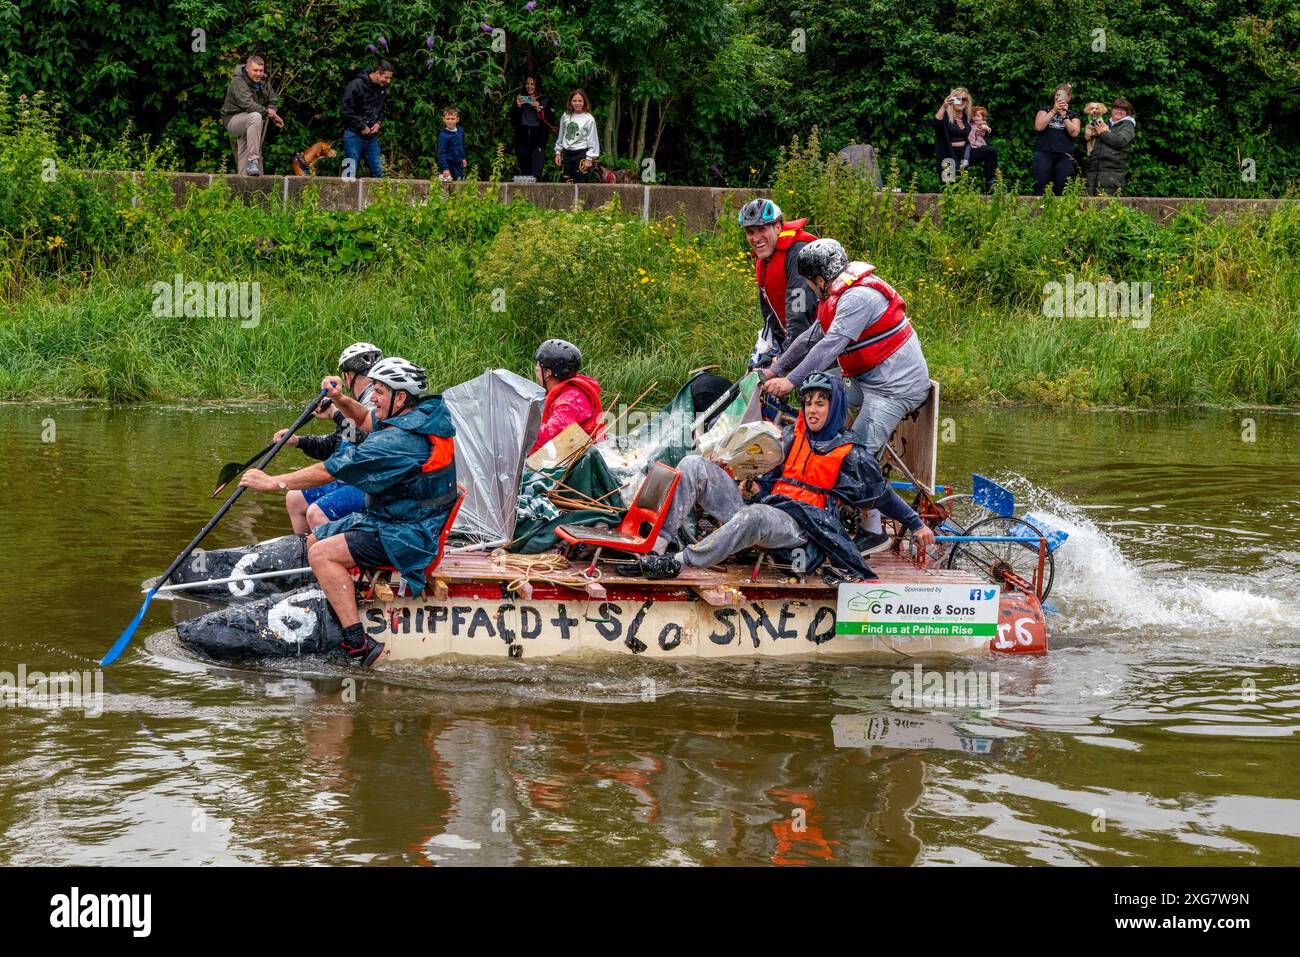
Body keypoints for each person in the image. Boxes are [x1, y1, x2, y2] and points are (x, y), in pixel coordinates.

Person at [239, 358, 457, 668]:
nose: (374, 397)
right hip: (399, 520)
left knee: (322, 555)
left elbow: (330, 471)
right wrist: (341, 400)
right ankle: (338, 606)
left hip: (408, 535)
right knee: (315, 541)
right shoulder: (419, 417)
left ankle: (359, 645)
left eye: (380, 391)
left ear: (401, 397)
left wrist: (274, 482)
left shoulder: (398, 442)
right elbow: (367, 420)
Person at [638, 373, 934, 579]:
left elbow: (883, 496)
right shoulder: (792, 437)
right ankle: (656, 548)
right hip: (767, 510)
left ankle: (679, 561)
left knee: (755, 515)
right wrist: (752, 486)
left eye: (820, 403)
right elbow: (768, 479)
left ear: (835, 408)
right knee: (693, 463)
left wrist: (916, 524)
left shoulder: (850, 454)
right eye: (807, 403)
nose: (812, 410)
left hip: (801, 529)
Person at [760, 238, 931, 552]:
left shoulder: (857, 299)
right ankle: (820, 449)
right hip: (867, 378)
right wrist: (776, 370)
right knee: (822, 386)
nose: (810, 290)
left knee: (856, 455)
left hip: (894, 388)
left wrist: (790, 382)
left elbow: (829, 347)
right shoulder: (837, 295)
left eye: (810, 283)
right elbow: (810, 339)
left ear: (822, 280)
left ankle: (874, 532)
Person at [277, 342, 383, 533]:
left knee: (317, 513)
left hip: (368, 487)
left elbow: (360, 440)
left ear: (349, 376)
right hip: (348, 480)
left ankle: (331, 556)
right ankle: (302, 552)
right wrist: (298, 441)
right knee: (294, 498)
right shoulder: (354, 404)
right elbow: (333, 444)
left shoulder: (378, 404)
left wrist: (335, 414)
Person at [736, 198, 819, 369]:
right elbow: (770, 312)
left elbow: (799, 310)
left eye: (761, 229)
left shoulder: (798, 255)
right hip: (796, 337)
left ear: (778, 227)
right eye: (750, 232)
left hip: (820, 338)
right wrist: (773, 348)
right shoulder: (765, 257)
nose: (756, 238)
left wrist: (784, 359)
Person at [530, 339, 605, 453]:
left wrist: (518, 429)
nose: (536, 369)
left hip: (584, 462)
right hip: (573, 454)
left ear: (548, 373)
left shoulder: (570, 401)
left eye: (539, 367)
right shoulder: (563, 392)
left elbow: (549, 439)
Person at [221, 55, 283, 176]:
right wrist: (272, 115)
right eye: (255, 70)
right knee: (255, 116)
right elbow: (248, 105)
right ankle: (253, 160)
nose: (258, 74)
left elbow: (273, 101)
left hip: (251, 122)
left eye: (261, 70)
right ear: (247, 68)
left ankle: (243, 186)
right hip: (233, 120)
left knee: (245, 153)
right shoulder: (238, 81)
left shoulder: (264, 80)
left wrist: (272, 110)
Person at [341, 59, 394, 178]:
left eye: (389, 78)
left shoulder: (382, 88)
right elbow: (346, 111)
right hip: (353, 135)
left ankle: (377, 197)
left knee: (378, 170)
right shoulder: (355, 85)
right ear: (377, 73)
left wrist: (379, 122)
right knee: (348, 172)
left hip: (371, 137)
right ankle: (345, 195)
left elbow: (381, 109)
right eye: (386, 77)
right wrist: (362, 126)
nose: (388, 81)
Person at [1032, 83, 1081, 196]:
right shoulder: (1045, 110)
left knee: (1062, 189)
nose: (1059, 97)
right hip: (1044, 152)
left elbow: (1074, 133)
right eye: (1057, 94)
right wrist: (1054, 111)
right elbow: (1039, 126)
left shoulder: (1073, 115)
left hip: (1064, 155)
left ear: (1068, 98)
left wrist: (1064, 116)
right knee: (1040, 187)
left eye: (1062, 95)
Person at [1086, 98, 1136, 196]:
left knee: (1106, 203)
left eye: (1123, 110)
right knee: (1088, 204)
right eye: (1117, 108)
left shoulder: (1127, 125)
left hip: (1112, 171)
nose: (1119, 111)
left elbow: (1120, 142)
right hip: (1094, 168)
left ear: (1127, 112)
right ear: (1112, 110)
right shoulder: (1104, 122)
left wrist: (1103, 133)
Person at [510, 74, 556, 179]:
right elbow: (513, 120)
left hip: (538, 143)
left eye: (532, 84)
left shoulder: (545, 100)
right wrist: (517, 107)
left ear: (537, 85)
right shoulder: (520, 98)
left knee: (536, 175)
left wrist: (539, 108)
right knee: (525, 175)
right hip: (522, 143)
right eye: (527, 84)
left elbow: (551, 121)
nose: (529, 86)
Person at [553, 89, 600, 184]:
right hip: (567, 154)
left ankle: (580, 200)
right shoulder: (566, 116)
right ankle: (567, 199)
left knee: (581, 183)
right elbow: (561, 135)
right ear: (570, 102)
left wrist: (589, 158)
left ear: (584, 102)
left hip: (581, 154)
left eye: (580, 101)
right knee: (566, 183)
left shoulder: (589, 119)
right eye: (574, 101)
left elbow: (593, 139)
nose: (577, 103)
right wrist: (558, 152)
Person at [932, 88, 973, 184]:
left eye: (964, 99)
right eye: (957, 99)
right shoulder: (945, 115)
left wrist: (983, 127)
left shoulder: (967, 117)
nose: (961, 101)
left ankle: (992, 184)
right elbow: (935, 125)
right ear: (952, 100)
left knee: (990, 152)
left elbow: (977, 130)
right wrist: (944, 106)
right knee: (949, 188)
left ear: (967, 102)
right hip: (948, 155)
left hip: (965, 155)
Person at [962, 105, 998, 189]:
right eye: (974, 116)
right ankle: (965, 160)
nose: (976, 118)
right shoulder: (971, 124)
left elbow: (984, 127)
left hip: (978, 144)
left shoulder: (981, 124)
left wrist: (986, 128)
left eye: (978, 116)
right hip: (971, 144)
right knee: (967, 148)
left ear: (983, 118)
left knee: (990, 151)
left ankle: (991, 182)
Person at [437, 107, 467, 181]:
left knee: (459, 185)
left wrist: (463, 158)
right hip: (448, 165)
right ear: (444, 119)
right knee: (446, 186)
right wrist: (445, 168)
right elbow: (441, 153)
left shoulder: (460, 131)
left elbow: (461, 145)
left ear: (457, 119)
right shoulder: (443, 135)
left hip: (458, 164)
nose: (450, 121)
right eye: (448, 119)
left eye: (452, 119)